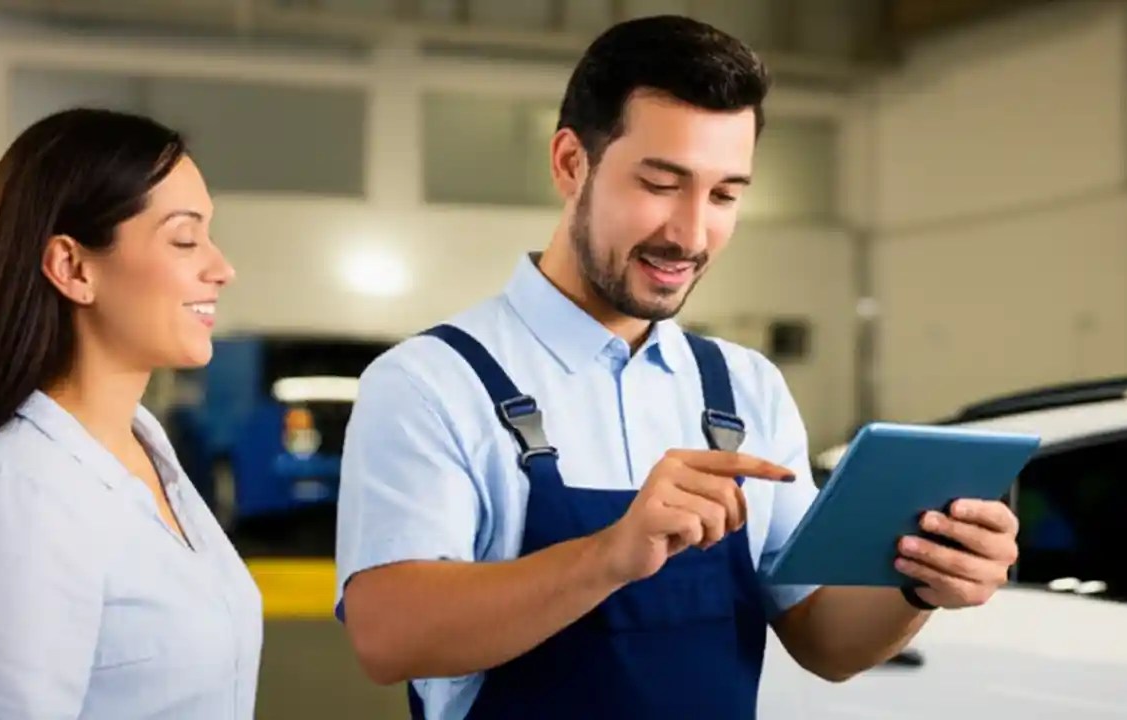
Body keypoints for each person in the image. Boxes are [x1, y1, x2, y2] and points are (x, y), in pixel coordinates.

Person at [334, 15, 1020, 720]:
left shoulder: (745, 388)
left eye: (725, 195)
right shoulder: (430, 382)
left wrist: (921, 581)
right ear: (572, 163)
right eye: (661, 184)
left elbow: (825, 642)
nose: (691, 234)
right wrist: (610, 555)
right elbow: (389, 637)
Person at [0, 108, 263, 719]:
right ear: (73, 268)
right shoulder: (23, 491)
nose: (221, 267)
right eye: (186, 239)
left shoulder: (145, 446)